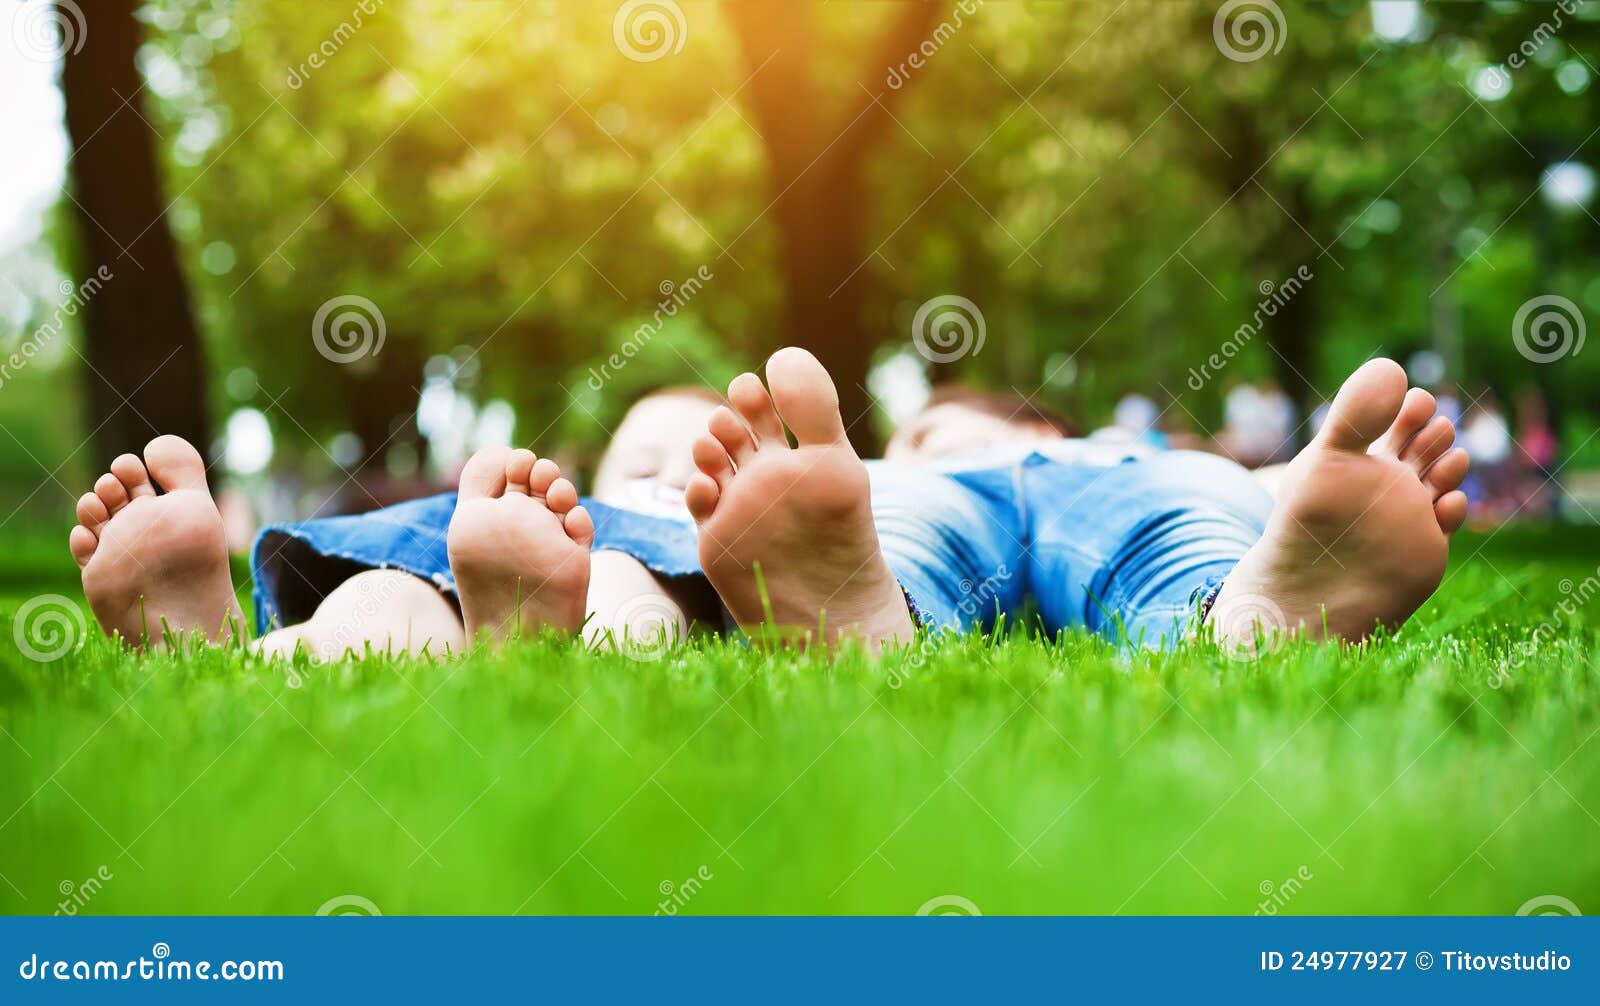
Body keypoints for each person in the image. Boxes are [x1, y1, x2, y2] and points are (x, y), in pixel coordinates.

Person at [69, 348, 1471, 658]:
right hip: (912, 511)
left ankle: (1274, 593)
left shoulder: (1114, 446)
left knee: (1212, 523)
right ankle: (271, 644)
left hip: (1157, 493)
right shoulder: (875, 473)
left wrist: (1308, 490)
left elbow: (1264, 479)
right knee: (648, 560)